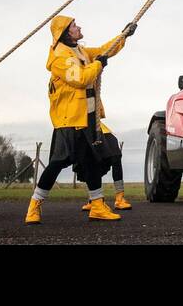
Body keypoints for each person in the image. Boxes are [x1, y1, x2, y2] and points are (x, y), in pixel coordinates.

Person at [25, 15, 135, 224]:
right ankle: (34, 205)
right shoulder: (60, 57)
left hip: (85, 119)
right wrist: (98, 65)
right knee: (57, 164)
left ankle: (97, 206)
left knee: (91, 162)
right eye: (75, 26)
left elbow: (104, 50)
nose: (79, 27)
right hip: (69, 120)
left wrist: (124, 35)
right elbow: (81, 78)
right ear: (66, 32)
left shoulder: (80, 51)